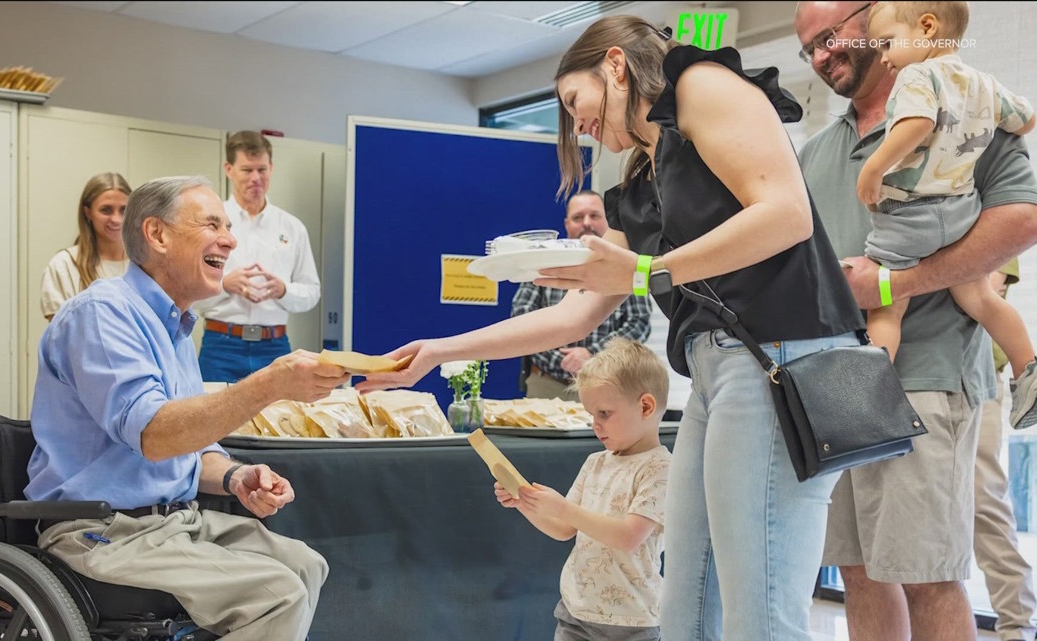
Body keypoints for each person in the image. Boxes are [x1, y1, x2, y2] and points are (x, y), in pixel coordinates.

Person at [360, 15, 866, 641]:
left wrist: (647, 270)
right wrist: (441, 350)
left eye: (577, 103)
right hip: (715, 366)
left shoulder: (702, 84)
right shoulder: (642, 178)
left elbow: (787, 215)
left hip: (778, 356)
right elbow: (574, 313)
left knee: (759, 606)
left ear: (617, 66)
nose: (581, 125)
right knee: (687, 596)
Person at [793, 2, 1037, 640]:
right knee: (859, 570)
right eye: (807, 50)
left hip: (926, 379)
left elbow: (1022, 221)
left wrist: (894, 284)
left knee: (927, 573)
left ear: (876, 19)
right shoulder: (814, 152)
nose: (820, 56)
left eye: (828, 37)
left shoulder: (966, 111)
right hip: (835, 383)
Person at [25, 175, 350, 641]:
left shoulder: (174, 325)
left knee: (305, 566)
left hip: (173, 522)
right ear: (157, 235)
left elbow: (193, 449)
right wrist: (271, 384)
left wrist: (236, 476)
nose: (230, 238)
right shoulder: (102, 313)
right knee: (277, 593)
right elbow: (155, 435)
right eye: (212, 223)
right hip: (102, 532)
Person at [853, 1, 1037, 430]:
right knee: (979, 298)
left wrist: (874, 168)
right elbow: (1026, 120)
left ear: (927, 28)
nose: (883, 58)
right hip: (960, 214)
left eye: (887, 43)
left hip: (908, 216)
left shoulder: (918, 74)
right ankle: (1028, 368)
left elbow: (916, 123)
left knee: (885, 306)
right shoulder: (985, 82)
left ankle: (870, 400)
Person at [495, 338, 670, 641]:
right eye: (591, 415)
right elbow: (564, 528)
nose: (595, 424)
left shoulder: (660, 468)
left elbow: (628, 536)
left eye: (604, 413)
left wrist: (562, 507)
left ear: (645, 406)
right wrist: (524, 502)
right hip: (575, 613)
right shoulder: (595, 463)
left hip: (633, 620)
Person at [194, 130, 321, 383]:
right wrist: (224, 285)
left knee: (281, 420)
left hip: (274, 348)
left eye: (262, 170)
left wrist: (283, 290)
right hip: (221, 347)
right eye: (247, 170)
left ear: (271, 169)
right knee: (214, 420)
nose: (256, 178)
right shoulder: (208, 223)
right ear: (229, 169)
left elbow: (312, 292)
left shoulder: (292, 227)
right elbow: (188, 292)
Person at [512, 189, 652, 402]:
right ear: (567, 224)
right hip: (547, 383)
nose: (587, 223)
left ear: (608, 221)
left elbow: (638, 322)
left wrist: (592, 356)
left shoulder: (624, 262)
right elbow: (521, 317)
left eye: (594, 216)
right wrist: (562, 360)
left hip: (608, 383)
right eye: (578, 217)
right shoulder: (543, 261)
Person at [975, 257, 1037, 641]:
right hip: (909, 375)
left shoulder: (982, 205)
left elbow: (988, 281)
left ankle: (1018, 627)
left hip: (977, 381)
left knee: (984, 505)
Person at [39, 172, 131, 321]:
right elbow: (62, 335)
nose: (116, 219)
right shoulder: (64, 265)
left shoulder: (147, 264)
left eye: (124, 210)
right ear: (88, 212)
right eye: (106, 210)